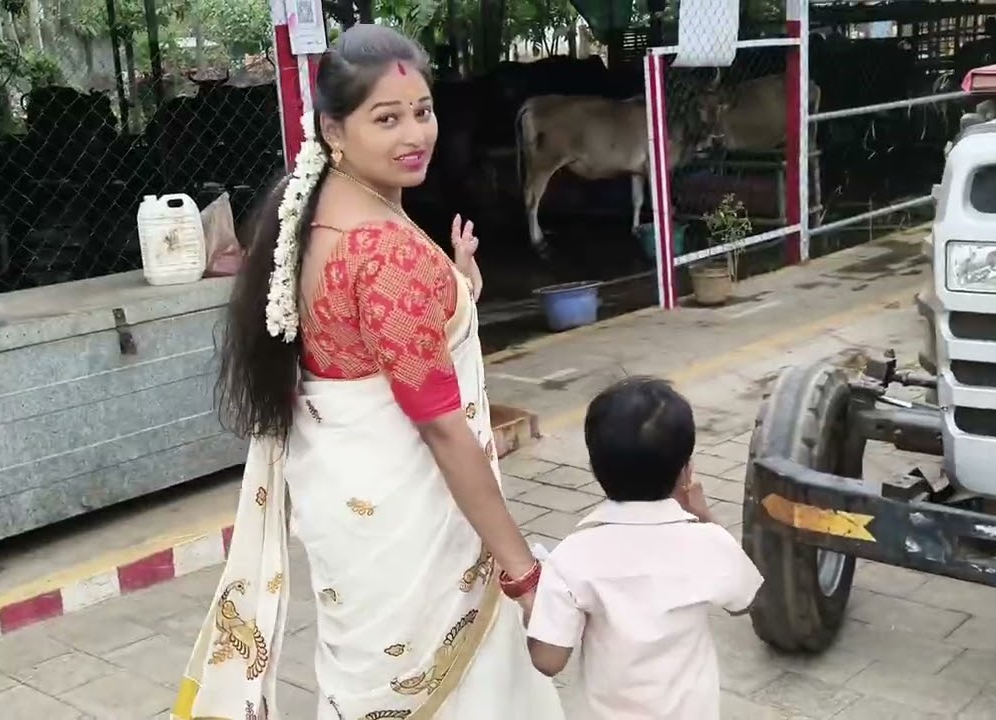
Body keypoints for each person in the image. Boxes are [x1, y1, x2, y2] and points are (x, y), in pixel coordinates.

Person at [173, 24, 563, 720]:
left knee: (366, 679)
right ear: (335, 130)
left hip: (352, 519)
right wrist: (521, 570)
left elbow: (355, 341)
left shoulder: (312, 213)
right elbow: (442, 429)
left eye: (423, 111)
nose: (415, 134)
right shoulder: (385, 252)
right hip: (414, 526)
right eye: (387, 118)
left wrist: (456, 290)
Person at [525, 377, 764, 720]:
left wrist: (532, 607)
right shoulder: (706, 541)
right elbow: (745, 601)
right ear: (686, 472)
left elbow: (548, 660)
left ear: (594, 468)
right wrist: (705, 518)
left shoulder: (572, 557)